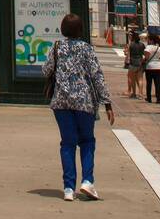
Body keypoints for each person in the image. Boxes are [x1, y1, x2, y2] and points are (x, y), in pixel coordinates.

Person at [43, 13, 114, 201]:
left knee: (67, 143)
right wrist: (107, 102)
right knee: (87, 141)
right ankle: (87, 181)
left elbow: (46, 69)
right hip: (84, 102)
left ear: (63, 30)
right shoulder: (87, 49)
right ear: (81, 30)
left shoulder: (57, 47)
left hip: (61, 102)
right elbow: (97, 76)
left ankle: (68, 188)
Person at [143, 33, 160, 103]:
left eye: (148, 39)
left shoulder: (148, 48)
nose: (147, 41)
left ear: (151, 40)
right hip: (157, 67)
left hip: (149, 67)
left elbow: (146, 58)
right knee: (157, 84)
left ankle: (149, 98)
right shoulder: (159, 48)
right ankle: (158, 99)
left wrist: (142, 62)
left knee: (149, 83)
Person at [127, 31, 146, 99]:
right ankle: (140, 94)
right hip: (140, 63)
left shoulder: (131, 44)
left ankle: (134, 93)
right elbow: (144, 54)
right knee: (140, 79)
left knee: (133, 79)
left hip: (132, 63)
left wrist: (127, 61)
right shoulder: (142, 45)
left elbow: (128, 55)